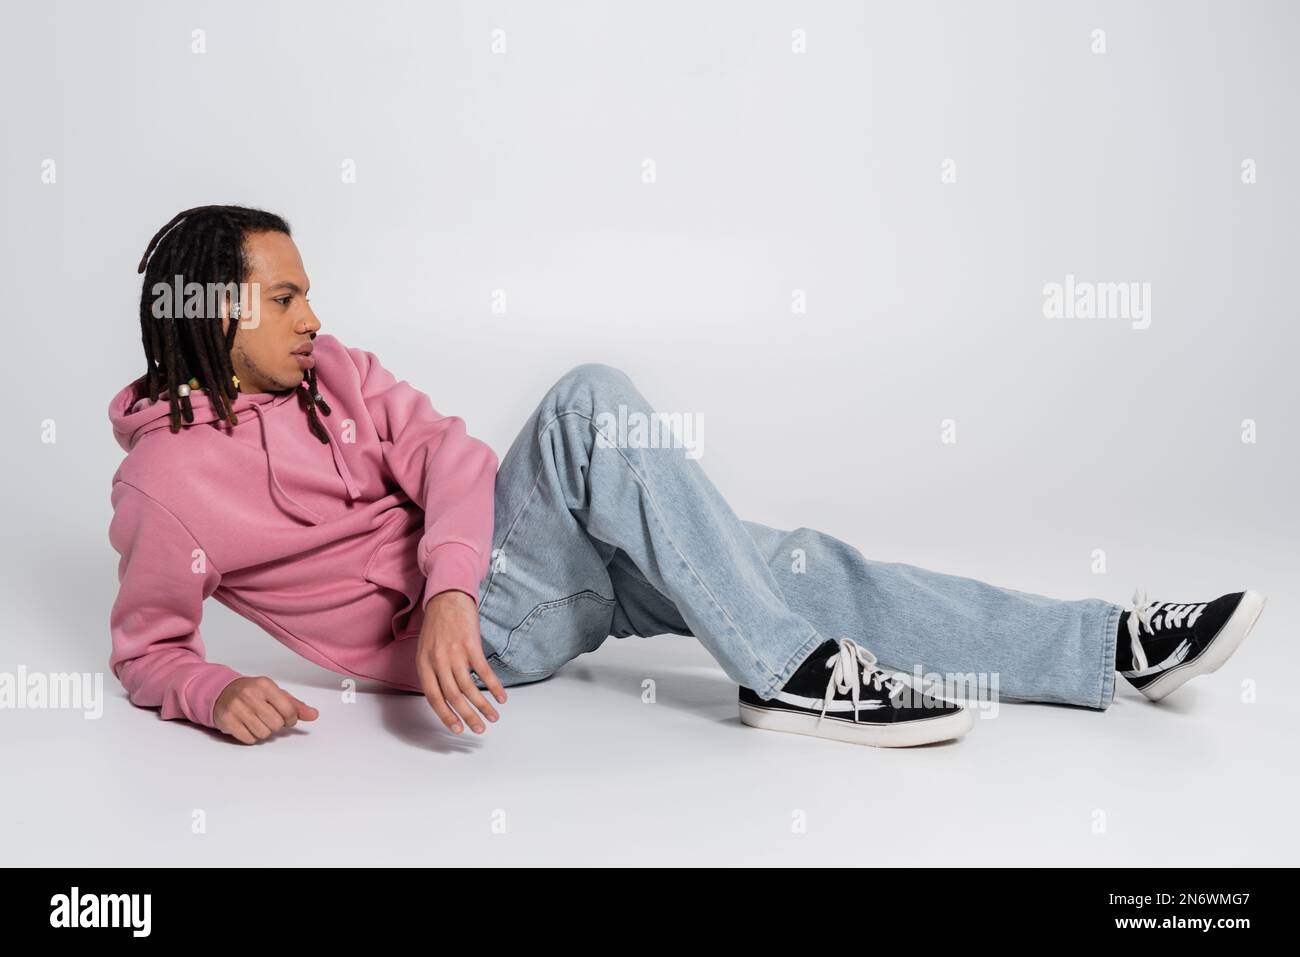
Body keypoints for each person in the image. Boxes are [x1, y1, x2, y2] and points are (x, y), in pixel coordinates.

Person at [106, 205, 1267, 749]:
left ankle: (1105, 648)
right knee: (590, 396)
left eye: (309, 291)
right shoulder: (166, 485)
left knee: (796, 567)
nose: (315, 315)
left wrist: (454, 574)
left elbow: (448, 456)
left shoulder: (335, 371)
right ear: (210, 310)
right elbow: (147, 645)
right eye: (286, 297)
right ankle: (789, 678)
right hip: (482, 642)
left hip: (504, 582)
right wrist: (211, 694)